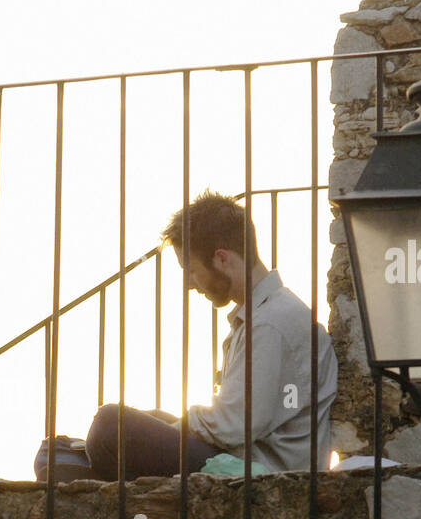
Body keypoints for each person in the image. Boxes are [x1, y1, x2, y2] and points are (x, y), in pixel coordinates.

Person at [85, 190, 338, 481]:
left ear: (221, 259)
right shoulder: (262, 315)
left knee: (109, 426)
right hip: (241, 458)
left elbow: (233, 424)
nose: (189, 285)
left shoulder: (271, 323)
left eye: (191, 270)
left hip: (261, 473)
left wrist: (182, 424)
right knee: (65, 449)